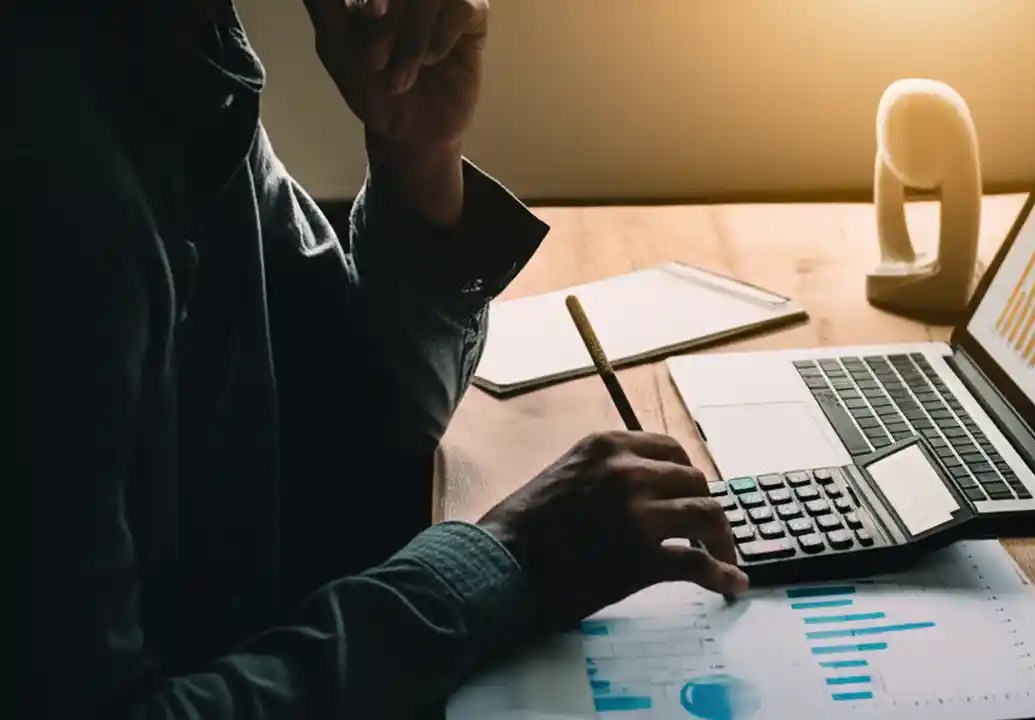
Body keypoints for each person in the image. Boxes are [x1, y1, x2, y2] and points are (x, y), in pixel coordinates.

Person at [11, 0, 748, 716]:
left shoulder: (185, 53)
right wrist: (510, 557)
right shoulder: (53, 186)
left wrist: (418, 155)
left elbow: (361, 436)